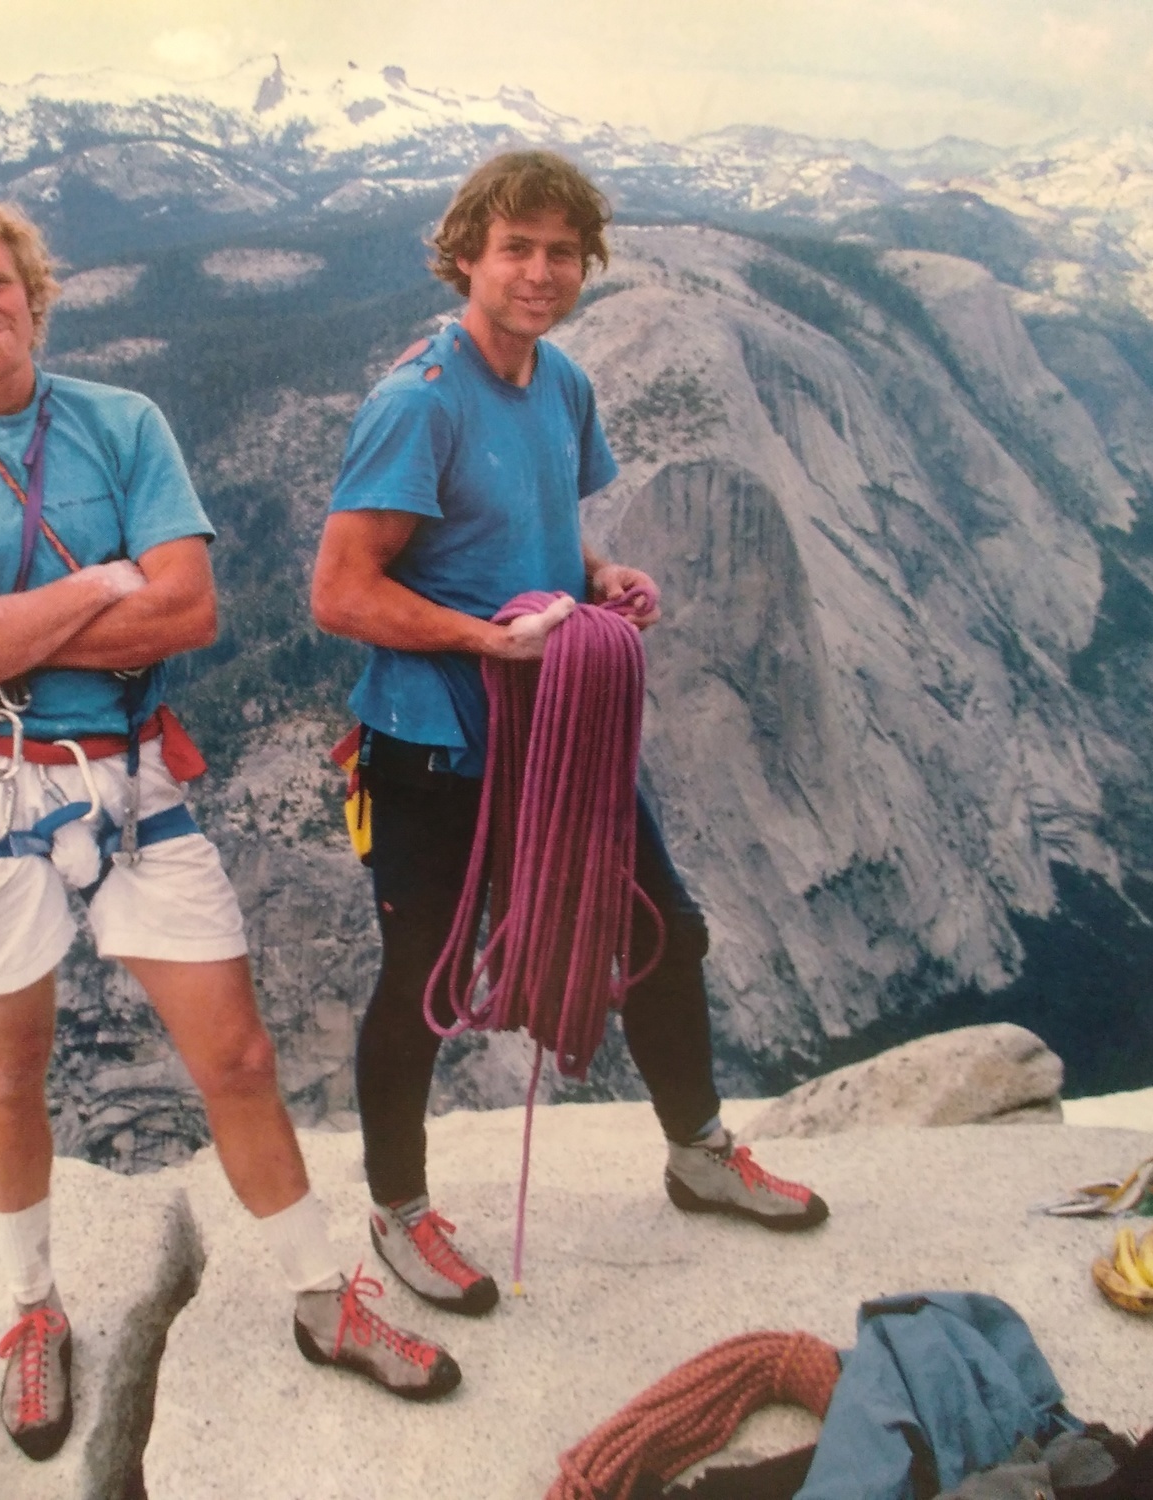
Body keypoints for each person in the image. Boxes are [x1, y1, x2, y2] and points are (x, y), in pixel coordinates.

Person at [0, 189, 460, 1459]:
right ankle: (32, 1312)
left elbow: (186, 612)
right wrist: (96, 584)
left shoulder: (121, 423)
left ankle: (319, 1296)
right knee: (7, 1068)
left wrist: (8, 627)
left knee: (235, 1053)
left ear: (31, 290)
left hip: (127, 780)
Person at [310, 151, 828, 1319]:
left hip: (554, 737)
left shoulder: (561, 385)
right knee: (425, 976)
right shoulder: (418, 400)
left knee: (658, 931)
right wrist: (486, 643)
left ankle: (697, 1154)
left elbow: (540, 525)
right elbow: (339, 592)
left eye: (560, 252)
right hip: (431, 745)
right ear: (465, 257)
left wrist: (599, 576)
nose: (539, 273)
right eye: (516, 249)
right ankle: (398, 1213)